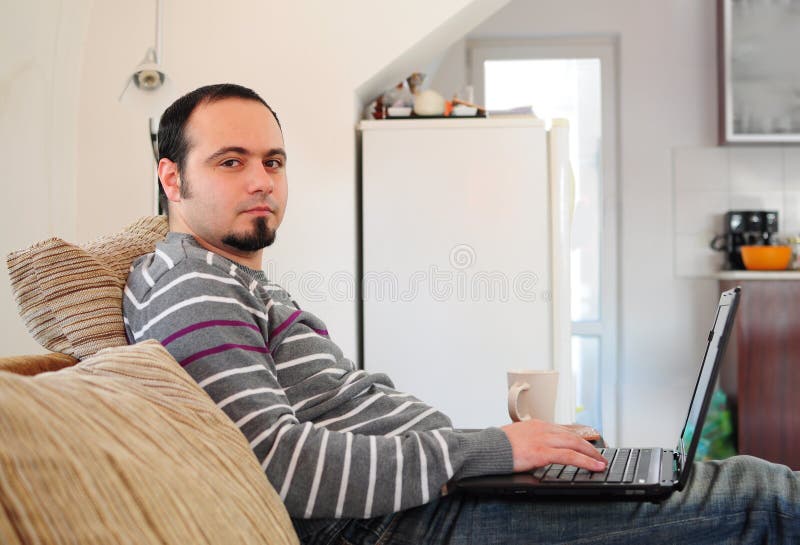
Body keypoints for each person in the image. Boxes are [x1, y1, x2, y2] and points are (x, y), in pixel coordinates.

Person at [123, 83, 800, 544]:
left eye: (272, 160)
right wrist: (490, 449)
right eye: (231, 161)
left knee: (717, 483)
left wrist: (495, 454)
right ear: (172, 178)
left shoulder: (236, 280)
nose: (262, 179)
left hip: (443, 496)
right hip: (415, 525)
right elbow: (277, 464)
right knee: (758, 496)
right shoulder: (191, 281)